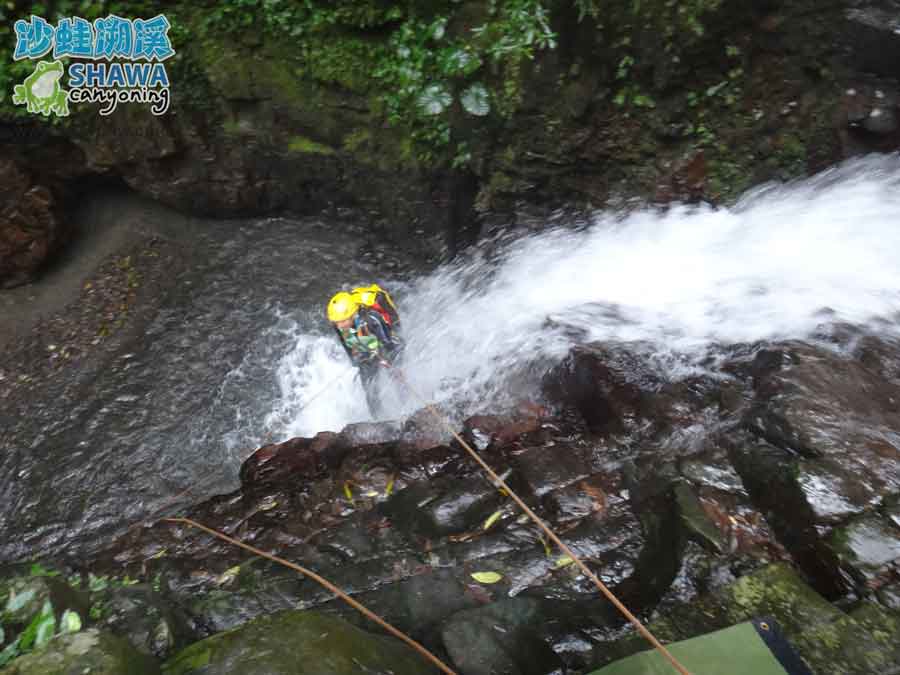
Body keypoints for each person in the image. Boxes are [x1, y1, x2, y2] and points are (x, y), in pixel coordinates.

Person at [326, 284, 401, 415]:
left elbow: (389, 342)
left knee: (396, 372)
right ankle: (377, 417)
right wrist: (356, 358)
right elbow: (347, 344)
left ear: (353, 314)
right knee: (368, 384)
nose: (339, 325)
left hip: (387, 337)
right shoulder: (339, 323)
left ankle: (405, 402)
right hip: (365, 341)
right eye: (336, 322)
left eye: (343, 321)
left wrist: (388, 360)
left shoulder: (371, 319)